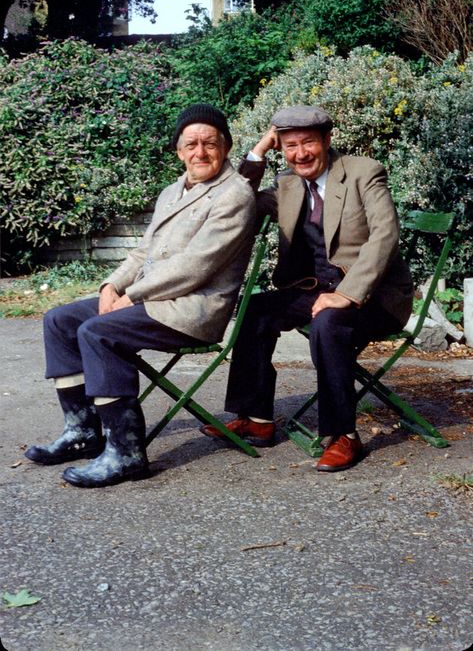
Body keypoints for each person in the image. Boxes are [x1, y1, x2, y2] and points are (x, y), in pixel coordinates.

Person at [25, 103, 256, 487]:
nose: (200, 152)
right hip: (151, 299)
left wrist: (131, 296)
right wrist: (111, 286)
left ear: (227, 147)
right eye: (191, 144)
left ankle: (126, 453)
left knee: (97, 332)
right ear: (179, 151)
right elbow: (142, 253)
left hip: (192, 310)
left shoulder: (234, 194)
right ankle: (82, 432)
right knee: (60, 320)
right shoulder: (172, 191)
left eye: (210, 143)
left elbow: (196, 266)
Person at [201, 105, 414, 472]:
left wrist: (347, 293)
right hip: (318, 290)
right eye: (290, 145)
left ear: (327, 141)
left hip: (374, 297)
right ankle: (256, 418)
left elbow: (385, 235)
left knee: (329, 322)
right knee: (256, 309)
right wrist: (259, 151)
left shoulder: (363, 172)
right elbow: (236, 202)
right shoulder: (288, 184)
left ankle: (343, 435)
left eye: (308, 143)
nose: (300, 154)